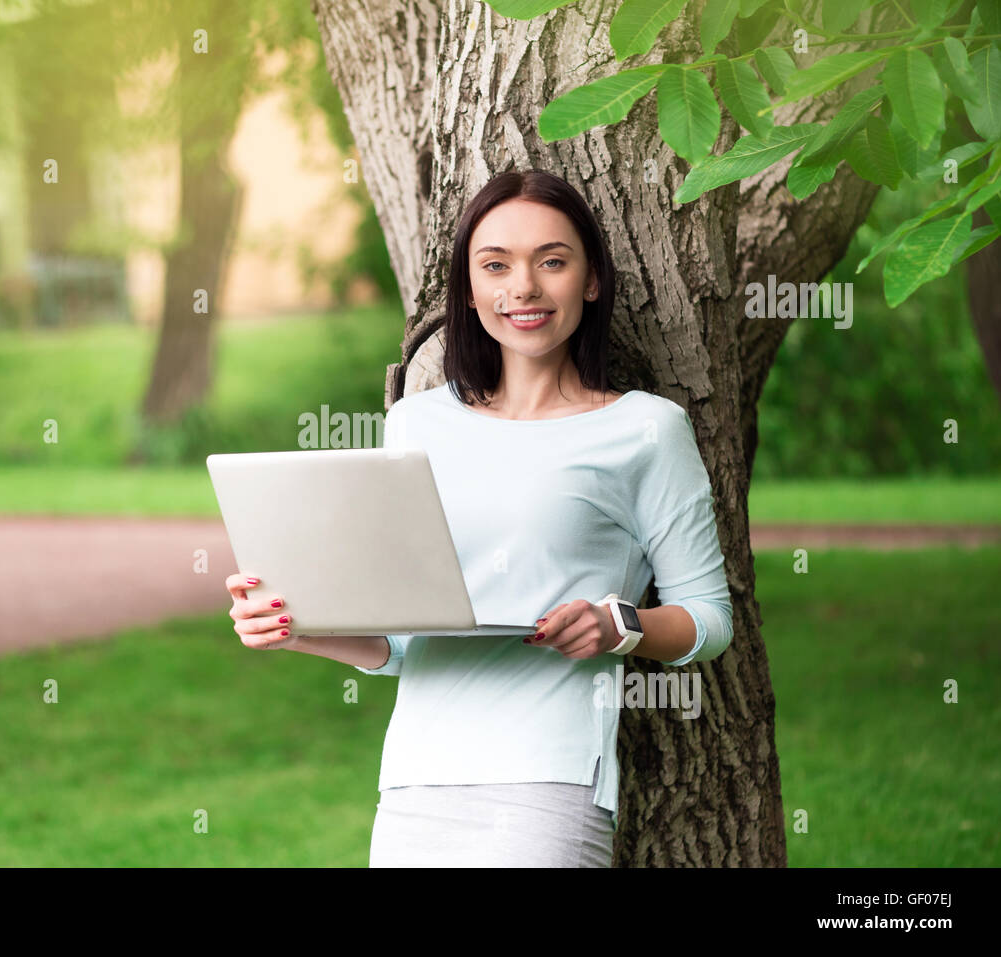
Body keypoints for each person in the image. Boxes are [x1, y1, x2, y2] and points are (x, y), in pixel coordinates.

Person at [224, 168, 733, 867]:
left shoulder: (645, 429)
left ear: (591, 280)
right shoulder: (415, 423)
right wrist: (293, 625)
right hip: (413, 781)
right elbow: (401, 645)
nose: (522, 287)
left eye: (551, 262)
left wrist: (618, 625)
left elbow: (710, 619)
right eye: (496, 265)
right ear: (469, 288)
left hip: (548, 779)